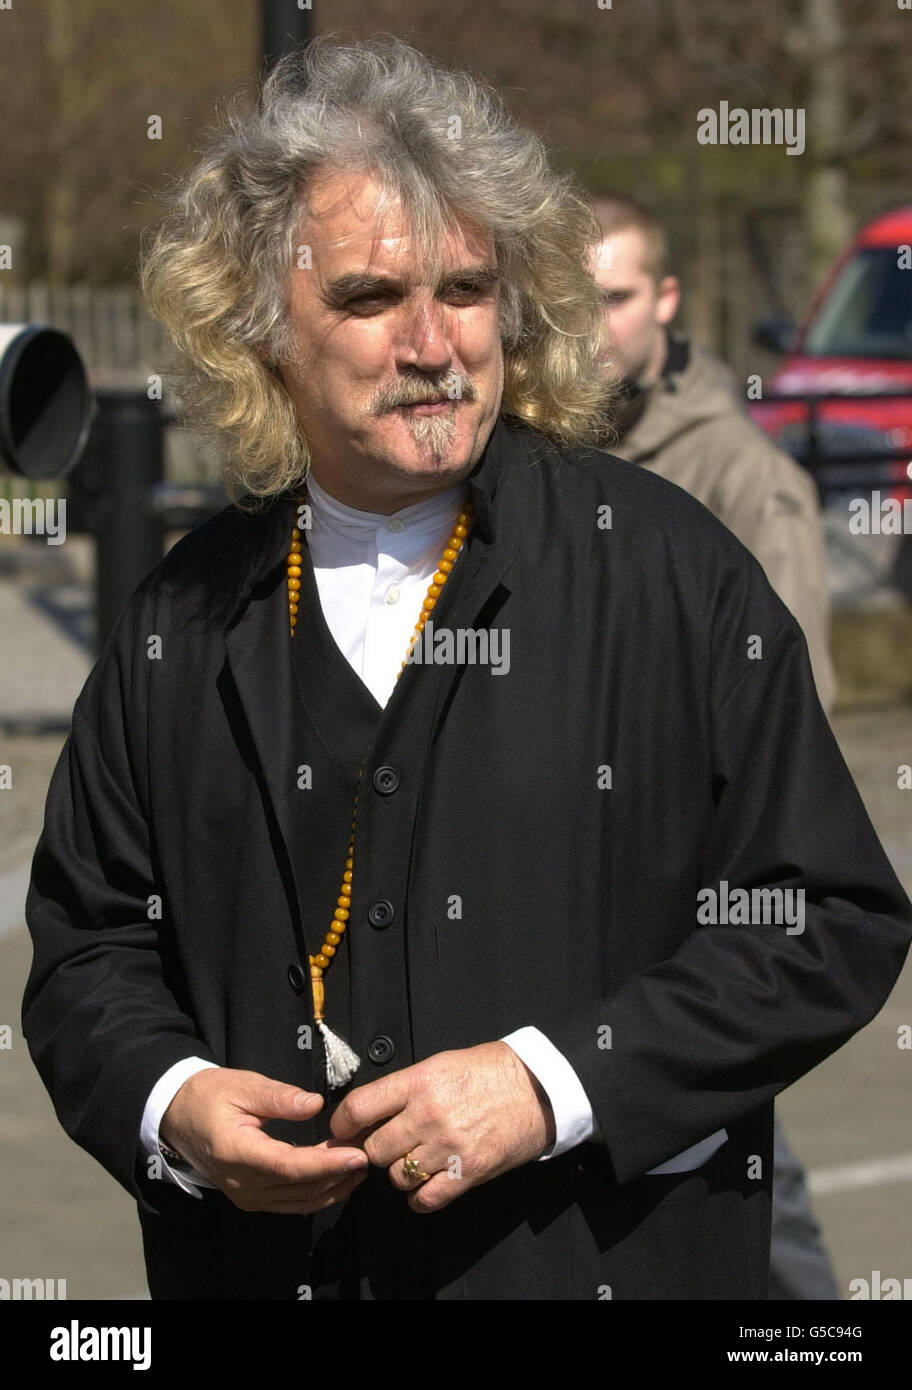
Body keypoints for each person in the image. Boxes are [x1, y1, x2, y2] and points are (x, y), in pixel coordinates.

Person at [22, 36, 912, 1301]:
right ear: (263, 330)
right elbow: (88, 945)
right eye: (373, 300)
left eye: (469, 289)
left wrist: (555, 1082)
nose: (435, 344)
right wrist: (173, 1105)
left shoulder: (670, 572)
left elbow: (829, 915)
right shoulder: (183, 610)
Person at [589, 193, 841, 1299]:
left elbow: (796, 734)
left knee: (748, 1188)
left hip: (696, 923)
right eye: (571, 300)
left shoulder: (742, 477)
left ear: (667, 300)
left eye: (615, 298)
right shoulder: (540, 453)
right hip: (572, 904)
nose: (591, 326)